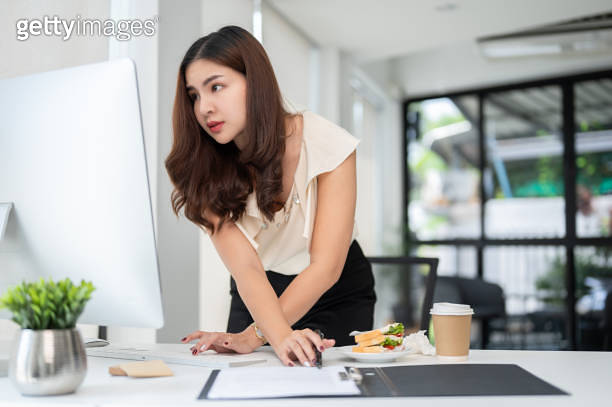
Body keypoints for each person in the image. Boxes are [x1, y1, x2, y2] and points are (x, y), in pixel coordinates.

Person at [165, 25, 375, 367]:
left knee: (329, 384)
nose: (204, 108)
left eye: (216, 87)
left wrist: (255, 336)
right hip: (259, 290)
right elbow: (246, 268)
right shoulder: (202, 169)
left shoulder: (327, 143)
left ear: (255, 82)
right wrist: (262, 333)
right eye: (194, 96)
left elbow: (326, 266)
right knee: (245, 379)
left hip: (337, 291)